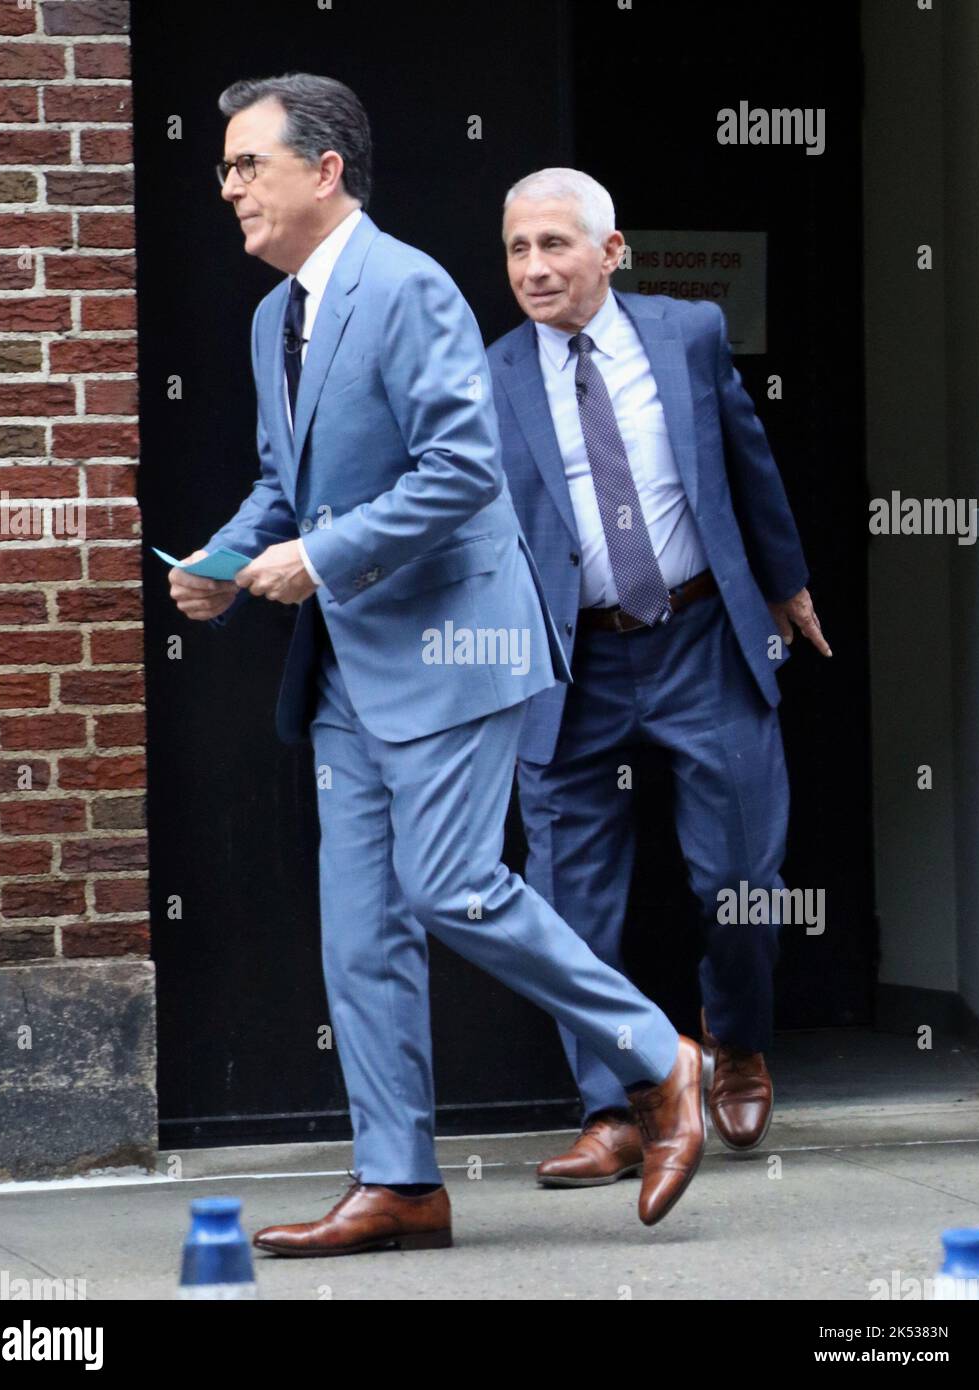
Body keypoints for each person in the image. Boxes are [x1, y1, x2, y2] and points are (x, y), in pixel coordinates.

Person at [169, 75, 706, 1257]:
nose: (228, 187)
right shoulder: (275, 320)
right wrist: (225, 558)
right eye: (223, 167)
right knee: (359, 930)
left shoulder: (406, 285)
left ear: (325, 170)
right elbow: (286, 483)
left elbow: (462, 469)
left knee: (454, 883)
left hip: (456, 645)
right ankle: (401, 1181)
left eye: (247, 163)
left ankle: (662, 1056)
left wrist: (318, 556)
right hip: (350, 666)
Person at [486, 168, 830, 1188]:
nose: (536, 268)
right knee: (569, 903)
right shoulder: (489, 369)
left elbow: (747, 459)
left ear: (611, 250)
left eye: (555, 244)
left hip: (697, 638)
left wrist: (787, 582)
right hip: (568, 660)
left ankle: (736, 1038)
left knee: (741, 881)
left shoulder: (688, 334)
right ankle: (618, 1107)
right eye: (517, 250)